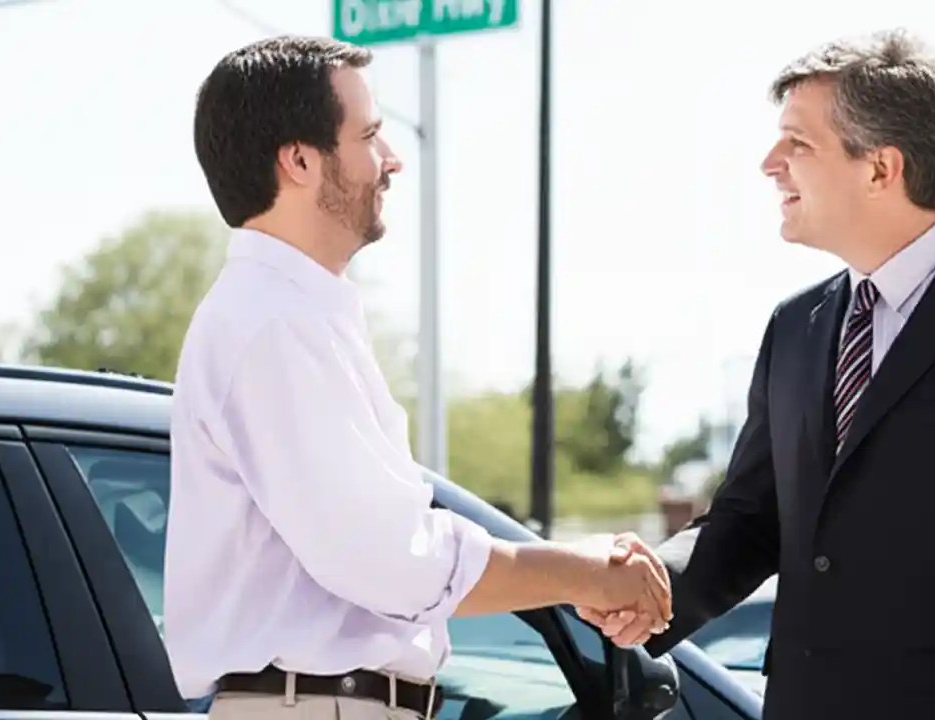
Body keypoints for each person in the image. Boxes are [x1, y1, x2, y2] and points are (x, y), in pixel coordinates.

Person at [582, 28, 935, 720]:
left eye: (797, 144)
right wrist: (649, 586)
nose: (769, 164)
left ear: (880, 169)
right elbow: (751, 521)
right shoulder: (795, 328)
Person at [162, 35, 671, 720]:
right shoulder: (271, 323)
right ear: (301, 160)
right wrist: (582, 574)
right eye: (369, 135)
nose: (391, 160)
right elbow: (391, 560)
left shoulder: (286, 313)